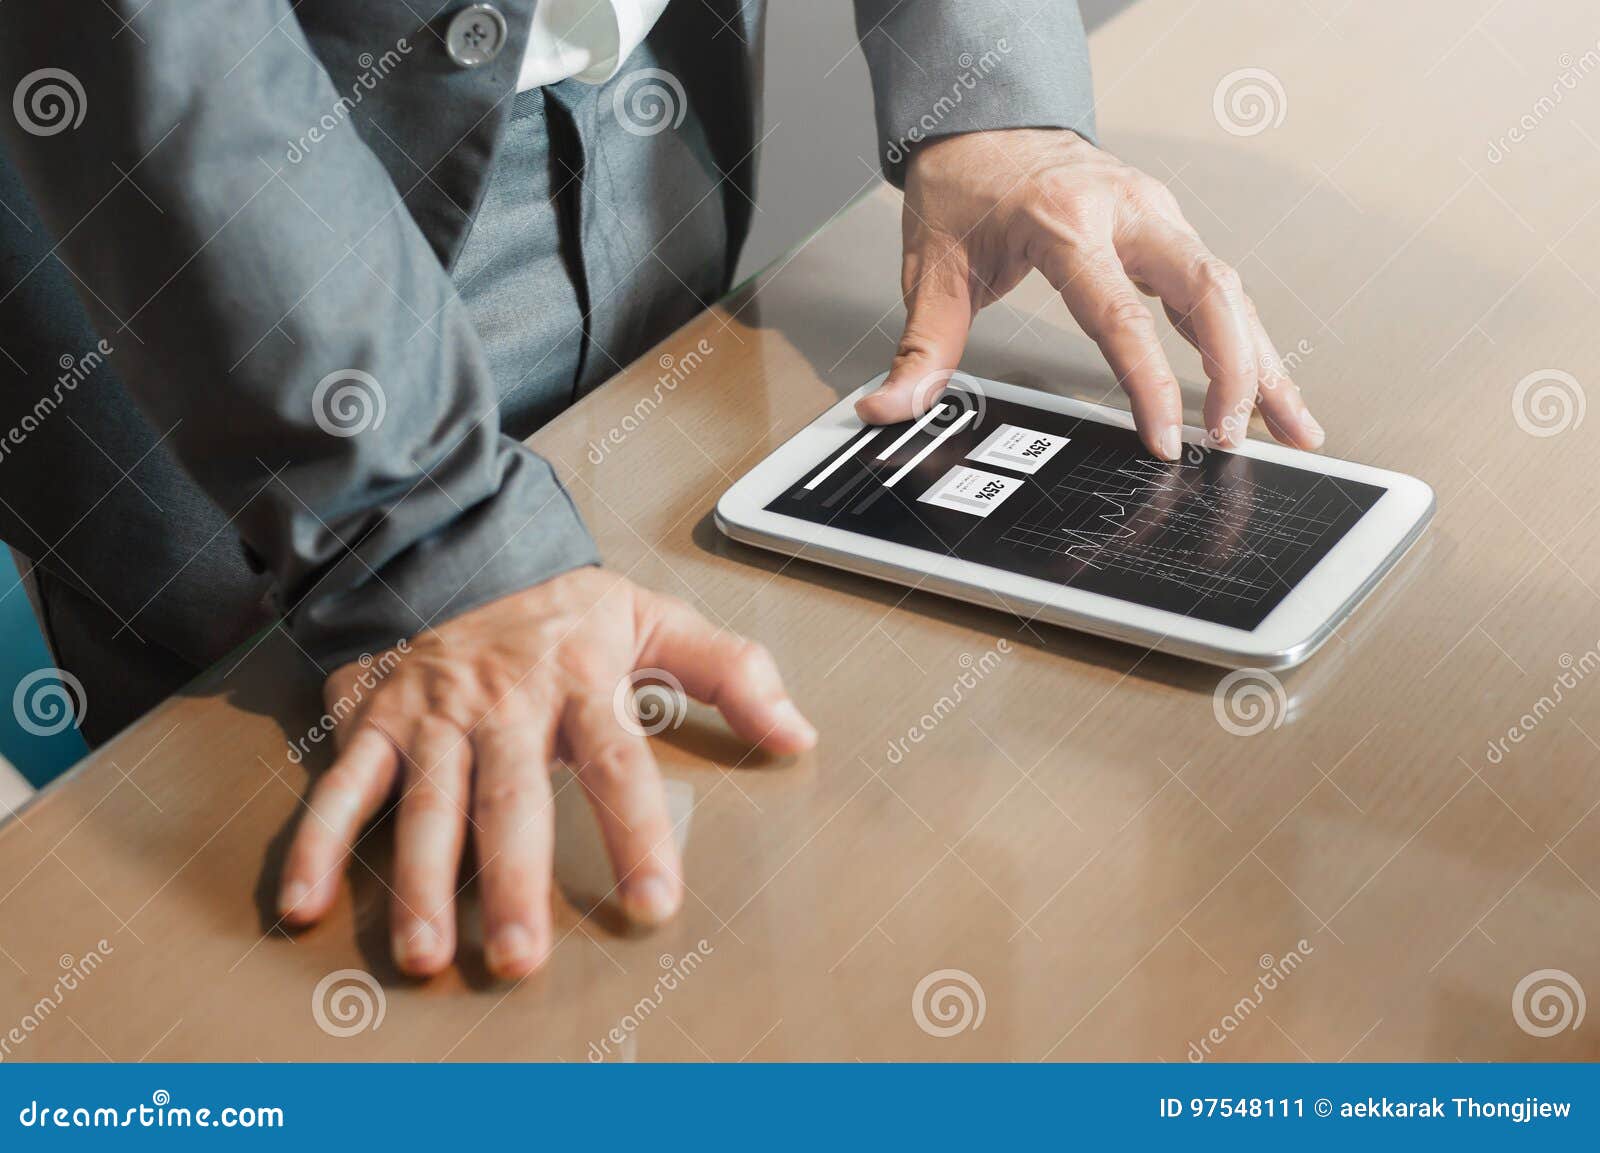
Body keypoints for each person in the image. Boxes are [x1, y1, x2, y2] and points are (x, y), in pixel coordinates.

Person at [0, 1, 1322, 979]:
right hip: (203, 232)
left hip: (649, 128)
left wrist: (991, 100)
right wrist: (428, 532)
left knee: (687, 898)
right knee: (315, 947)